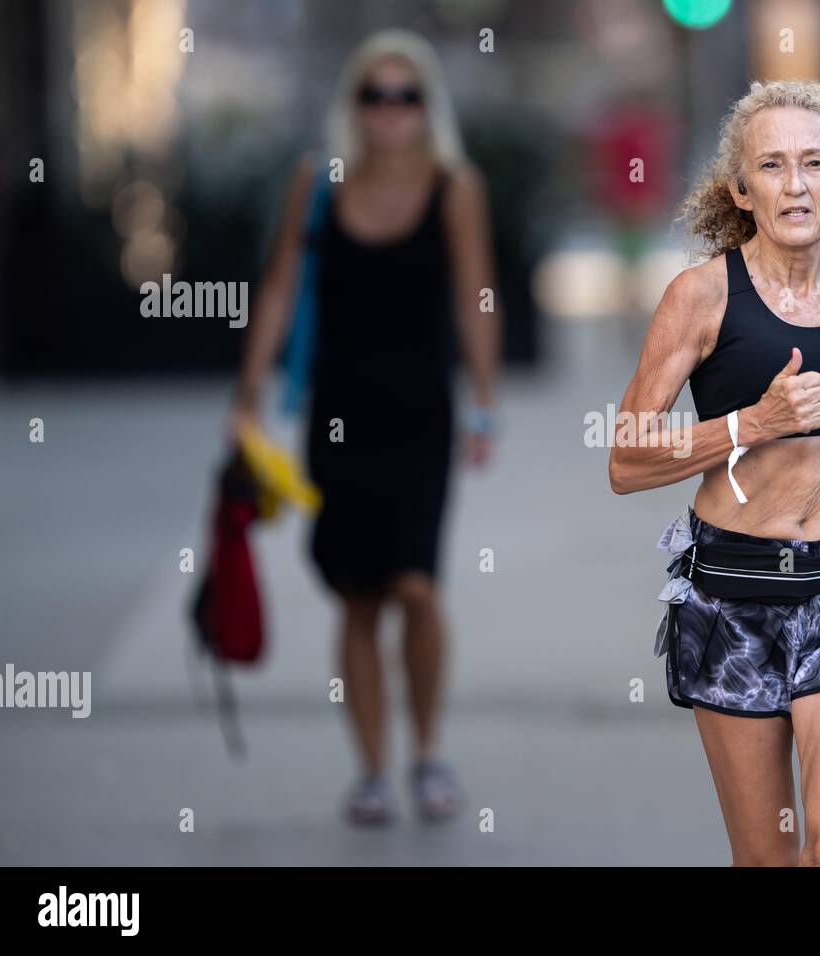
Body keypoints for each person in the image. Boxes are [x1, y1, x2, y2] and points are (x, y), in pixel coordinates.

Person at [609, 80, 820, 866]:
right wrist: (750, 425)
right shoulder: (698, 299)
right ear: (742, 188)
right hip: (732, 600)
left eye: (813, 164)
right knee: (768, 858)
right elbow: (625, 458)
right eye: (772, 165)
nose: (795, 184)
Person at [232, 29, 501, 825]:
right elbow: (280, 287)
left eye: (406, 96)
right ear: (353, 105)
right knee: (357, 597)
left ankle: (427, 753)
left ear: (427, 108)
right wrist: (248, 392)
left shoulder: (456, 186)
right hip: (338, 413)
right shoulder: (318, 181)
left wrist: (484, 402)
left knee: (417, 587)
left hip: (421, 414)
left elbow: (477, 296)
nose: (390, 112)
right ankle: (372, 771)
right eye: (374, 96)